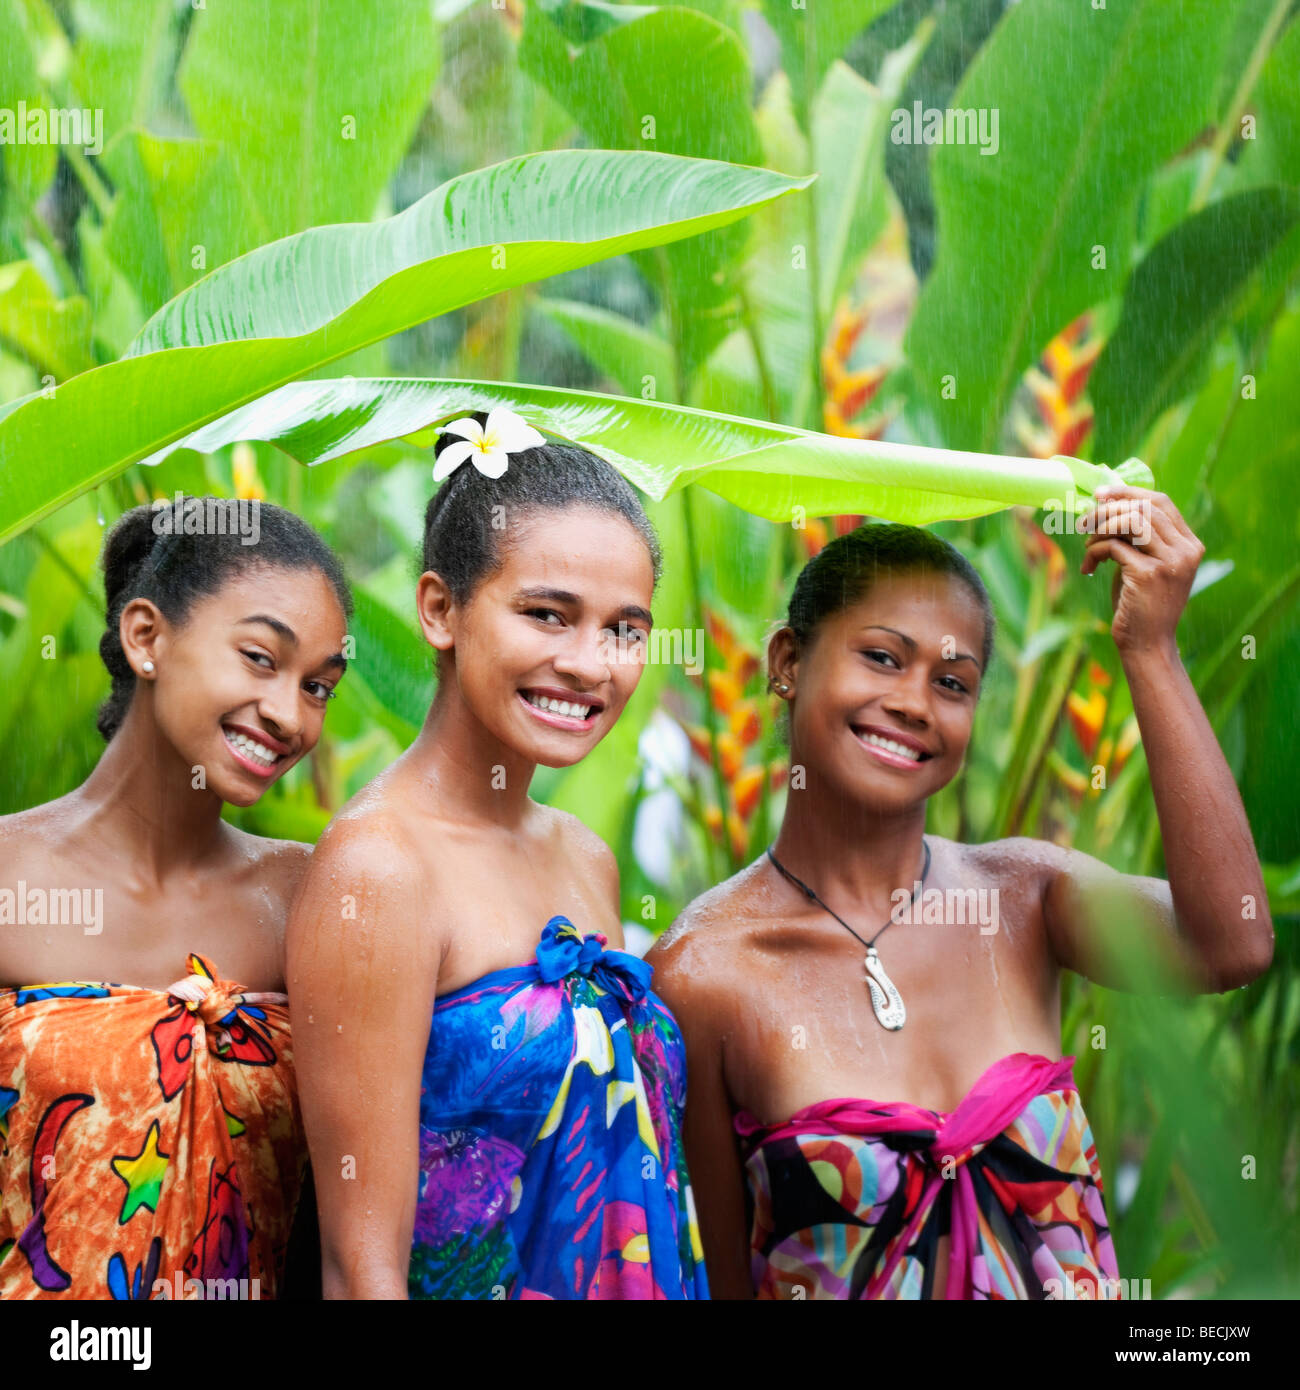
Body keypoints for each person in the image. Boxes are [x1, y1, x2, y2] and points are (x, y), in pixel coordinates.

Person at [648, 487, 1274, 1300]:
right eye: (880, 657)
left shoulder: (1025, 897)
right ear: (787, 663)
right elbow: (717, 1279)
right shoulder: (702, 977)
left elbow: (1233, 943)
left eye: (953, 681)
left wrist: (1150, 647)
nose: (913, 702)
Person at [288, 408, 707, 1300]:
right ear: (440, 609)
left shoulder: (585, 857)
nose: (591, 664)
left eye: (625, 630)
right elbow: (361, 1270)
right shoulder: (379, 871)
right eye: (547, 614)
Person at [0, 496, 351, 1300]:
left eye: (320, 688)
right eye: (262, 658)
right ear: (146, 636)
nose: (290, 715)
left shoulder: (310, 897)